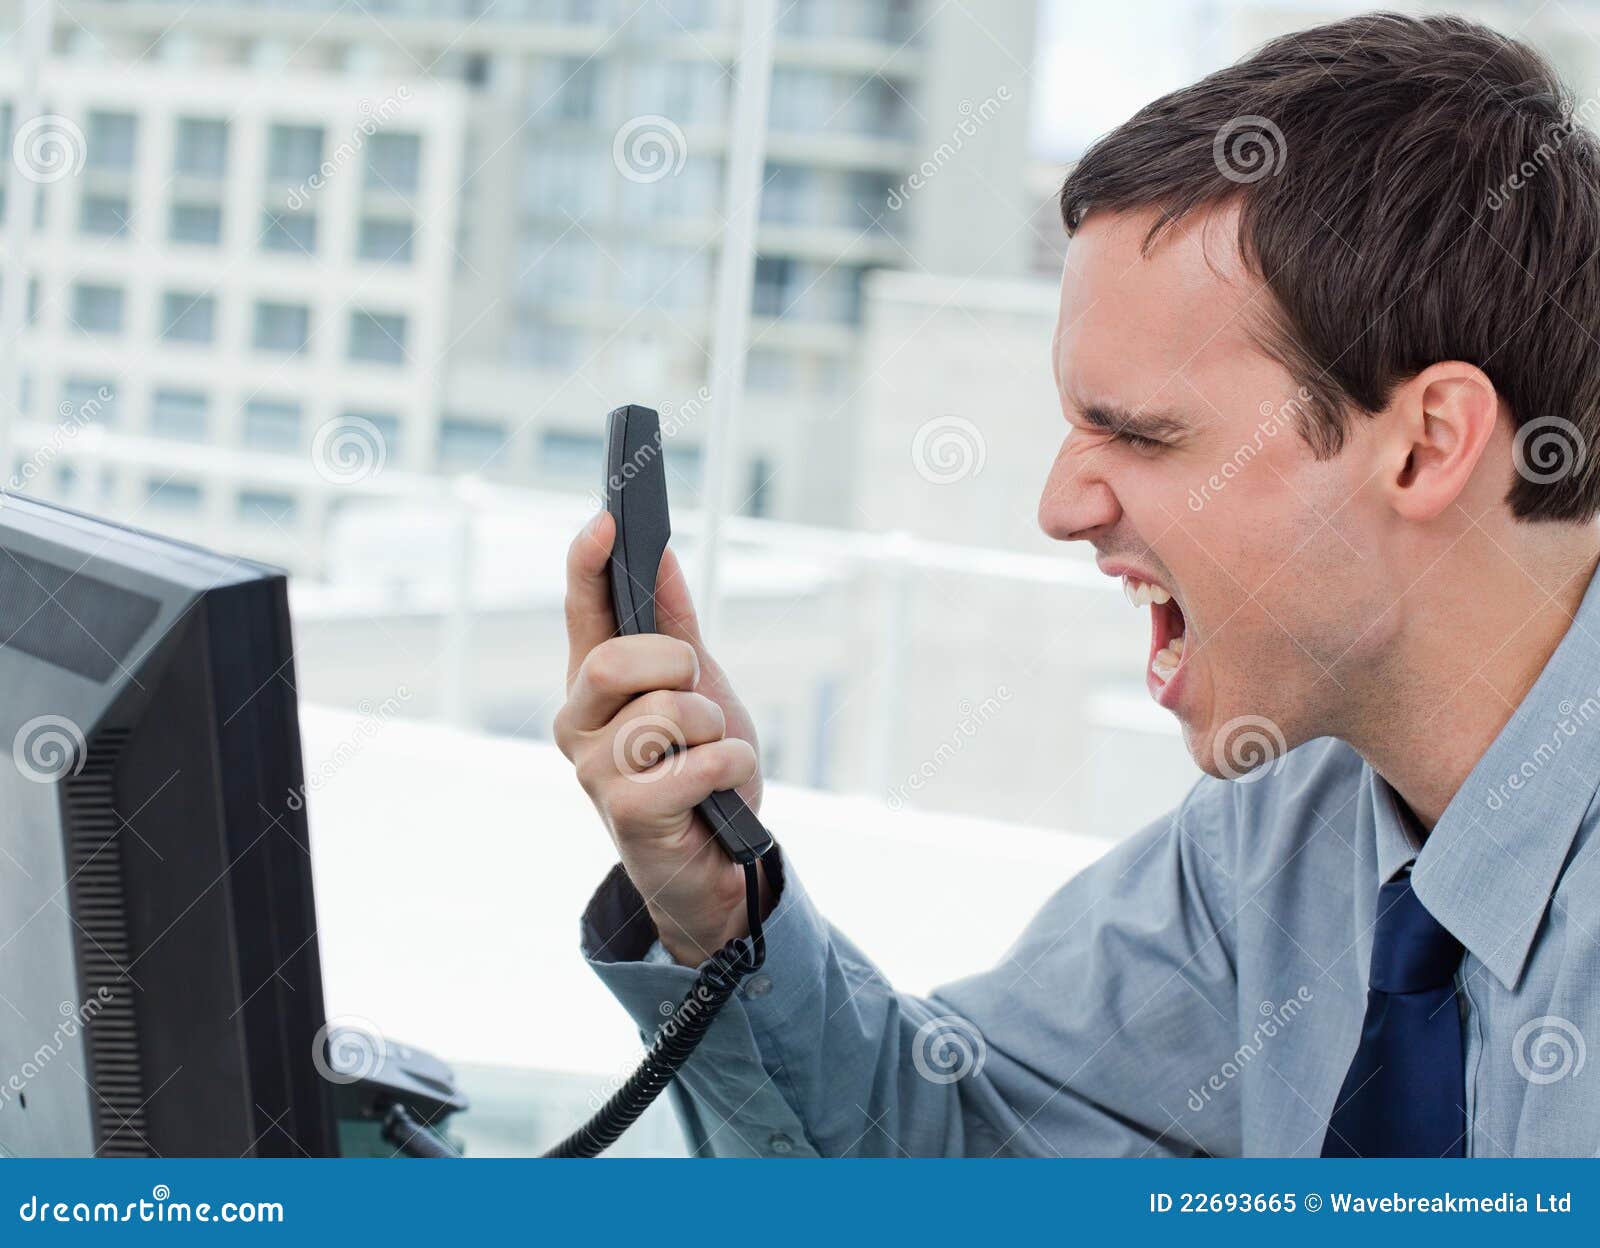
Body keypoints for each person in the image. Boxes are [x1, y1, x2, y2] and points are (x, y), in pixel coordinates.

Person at [555, 12, 1600, 1156]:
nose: (1059, 507)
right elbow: (966, 1155)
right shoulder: (1281, 825)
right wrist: (717, 907)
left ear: (1425, 443)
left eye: (1141, 436)